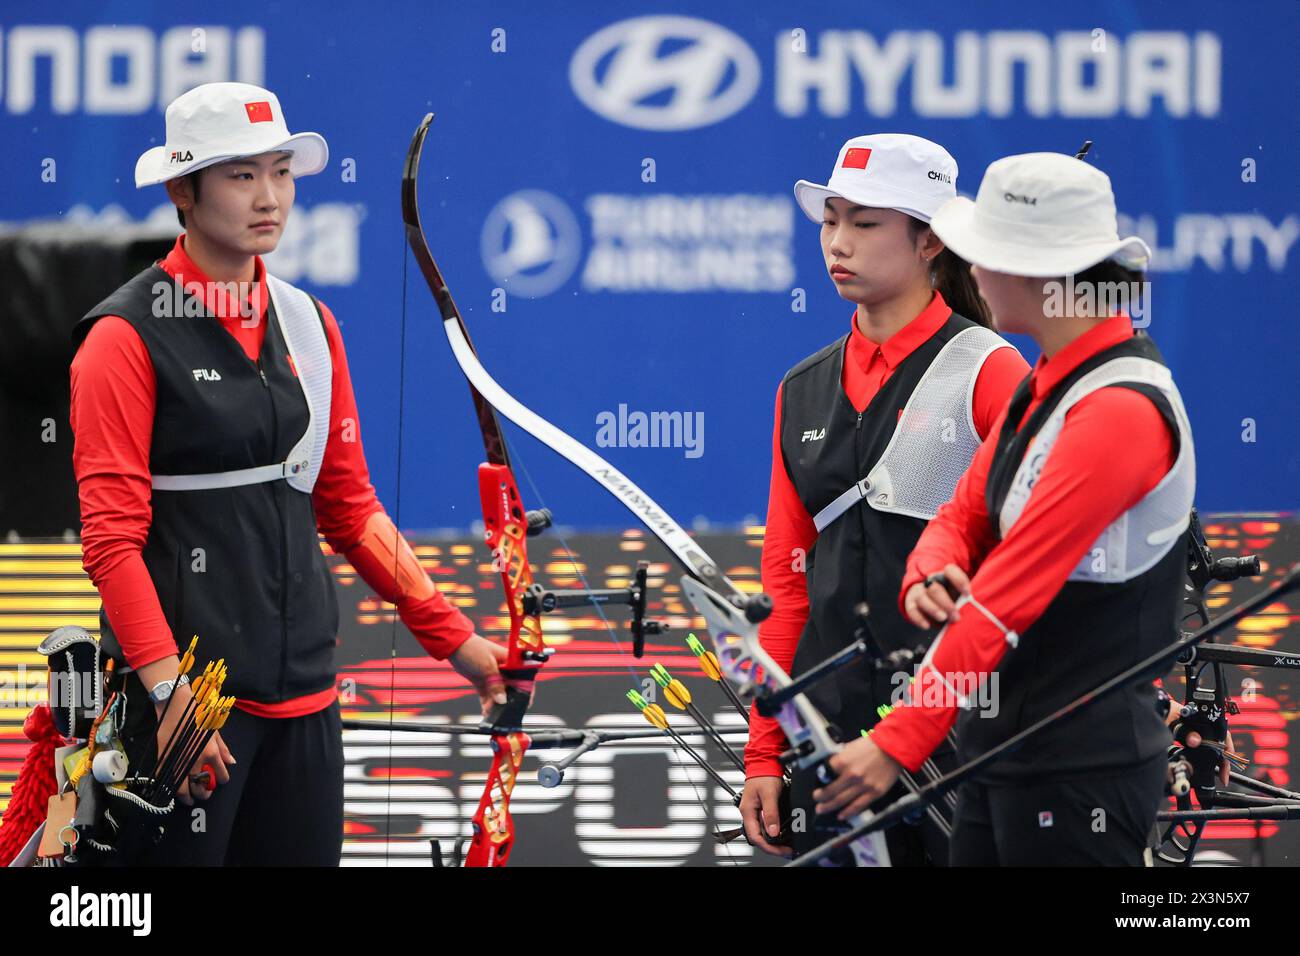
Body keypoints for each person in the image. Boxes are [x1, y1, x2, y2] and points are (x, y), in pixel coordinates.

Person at [68, 82, 506, 864]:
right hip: (186, 714)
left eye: (281, 172)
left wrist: (465, 647)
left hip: (305, 704)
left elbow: (349, 510)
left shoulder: (309, 322)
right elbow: (110, 543)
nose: (269, 197)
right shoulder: (121, 340)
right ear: (182, 190)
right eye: (241, 175)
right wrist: (172, 700)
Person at [816, 151, 1195, 866]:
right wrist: (927, 570)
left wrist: (896, 742)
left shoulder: (1116, 408)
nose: (972, 270)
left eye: (984, 253)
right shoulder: (1049, 383)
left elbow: (1002, 600)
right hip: (1001, 753)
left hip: (1080, 771)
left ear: (1037, 273)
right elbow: (962, 517)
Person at [744, 134, 1029, 864]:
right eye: (830, 220)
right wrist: (765, 754)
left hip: (966, 745)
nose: (838, 242)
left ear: (931, 239)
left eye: (865, 224)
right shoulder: (798, 387)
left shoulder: (990, 371)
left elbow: (1025, 573)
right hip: (830, 745)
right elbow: (787, 583)